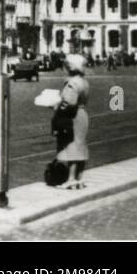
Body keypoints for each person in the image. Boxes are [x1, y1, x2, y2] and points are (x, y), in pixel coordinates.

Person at [56, 54, 90, 189]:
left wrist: (54, 104)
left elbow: (69, 102)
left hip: (72, 116)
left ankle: (70, 179)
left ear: (69, 67)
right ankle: (79, 178)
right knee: (81, 145)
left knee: (71, 146)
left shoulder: (72, 83)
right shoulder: (83, 81)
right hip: (82, 114)